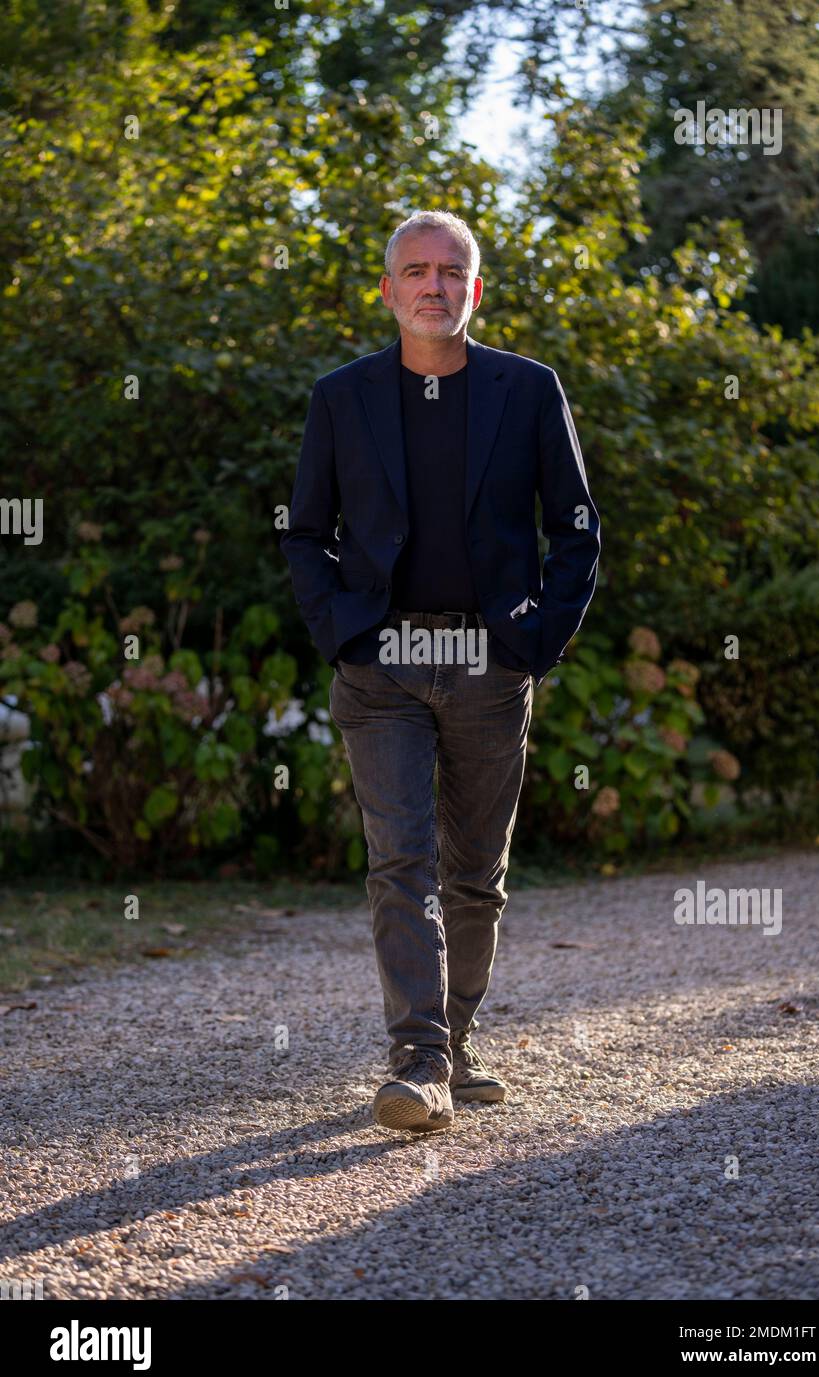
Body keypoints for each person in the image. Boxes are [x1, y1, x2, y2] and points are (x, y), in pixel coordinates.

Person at [282, 210, 600, 1132]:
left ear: (475, 288)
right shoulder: (341, 397)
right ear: (388, 290)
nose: (433, 286)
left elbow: (576, 531)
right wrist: (344, 630)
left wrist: (533, 639)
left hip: (487, 663)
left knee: (475, 874)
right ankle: (417, 1061)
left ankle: (454, 1045)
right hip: (382, 667)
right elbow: (306, 532)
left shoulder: (528, 390)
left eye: (450, 272)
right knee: (401, 863)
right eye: (415, 272)